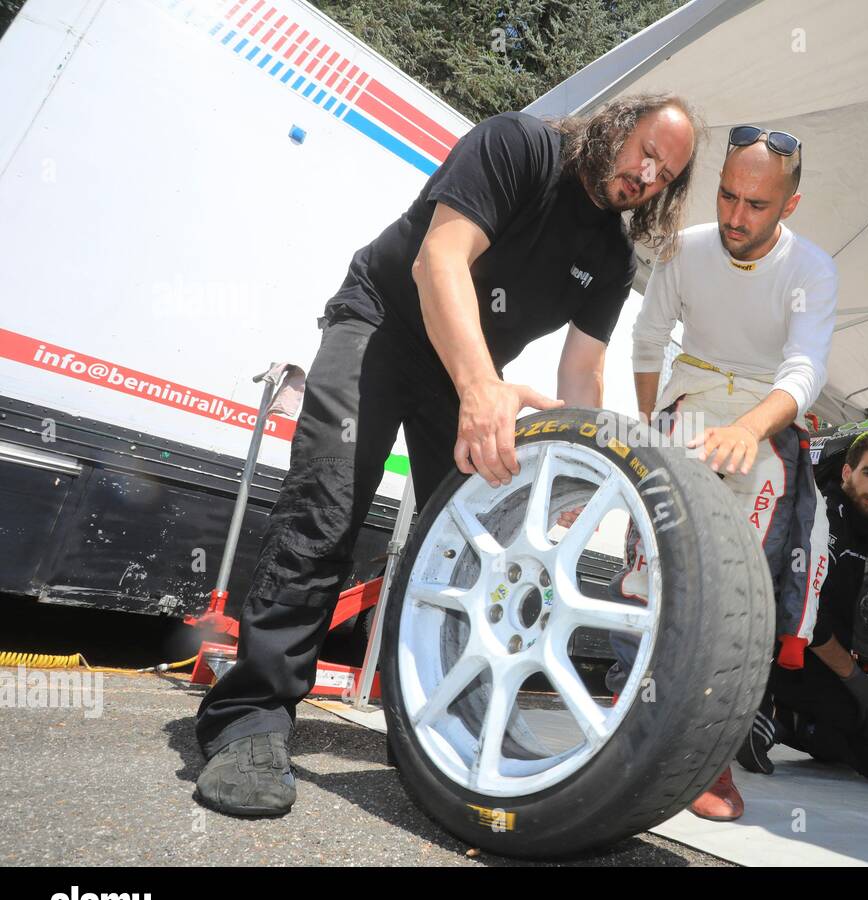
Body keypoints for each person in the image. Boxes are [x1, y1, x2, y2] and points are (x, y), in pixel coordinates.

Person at [193, 94, 702, 817]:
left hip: (468, 370)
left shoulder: (614, 256)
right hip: (386, 324)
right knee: (328, 508)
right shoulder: (518, 147)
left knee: (474, 556)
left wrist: (582, 476)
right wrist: (479, 387)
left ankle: (444, 727)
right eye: (646, 152)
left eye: (667, 174)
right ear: (616, 126)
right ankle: (249, 718)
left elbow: (581, 373)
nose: (649, 176)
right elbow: (440, 260)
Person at [626, 125, 838, 822]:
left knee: (751, 575)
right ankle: (641, 733)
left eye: (755, 204)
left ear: (790, 206)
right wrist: (656, 427)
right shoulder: (683, 249)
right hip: (689, 404)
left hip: (763, 417)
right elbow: (649, 338)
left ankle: (711, 752)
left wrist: (749, 429)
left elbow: (805, 370)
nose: (734, 217)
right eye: (725, 196)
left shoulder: (812, 270)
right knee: (660, 567)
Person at [737, 431, 868, 788]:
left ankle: (784, 719)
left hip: (816, 671)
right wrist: (854, 680)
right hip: (795, 662)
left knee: (837, 748)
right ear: (847, 472)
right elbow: (806, 618)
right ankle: (775, 709)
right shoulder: (825, 518)